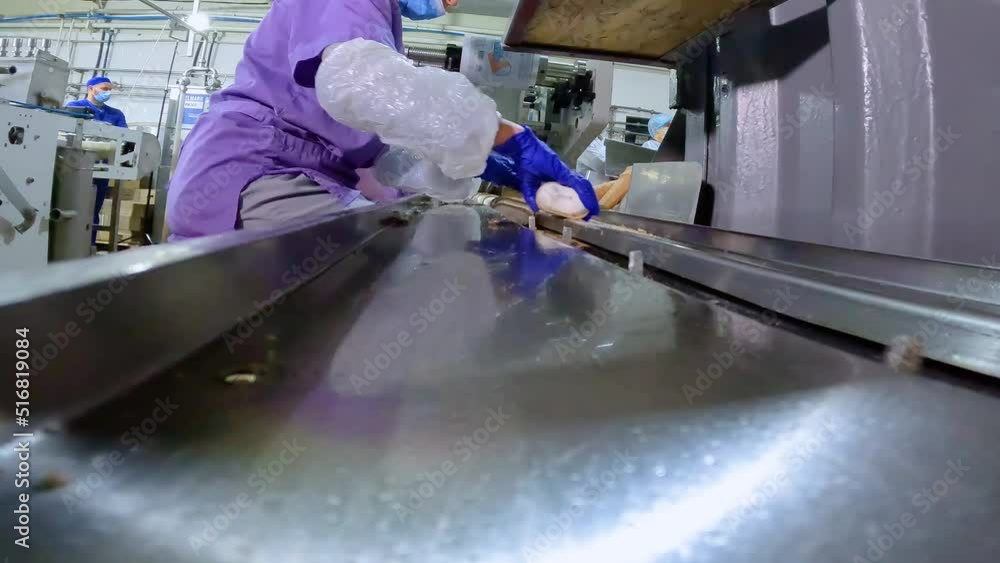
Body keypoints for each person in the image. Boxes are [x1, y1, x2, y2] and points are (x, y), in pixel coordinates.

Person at [166, 0, 599, 240]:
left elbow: (380, 158)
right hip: (255, 175)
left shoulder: (378, 22)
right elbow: (361, 82)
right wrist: (506, 138)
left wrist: (477, 166)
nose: (452, 1)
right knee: (376, 272)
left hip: (289, 175)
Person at [66, 76, 128, 245]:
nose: (107, 92)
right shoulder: (74, 108)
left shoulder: (115, 114)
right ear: (90, 88)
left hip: (101, 169)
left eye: (109, 89)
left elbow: (125, 139)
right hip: (74, 167)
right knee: (70, 205)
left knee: (93, 210)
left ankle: (88, 248)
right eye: (104, 88)